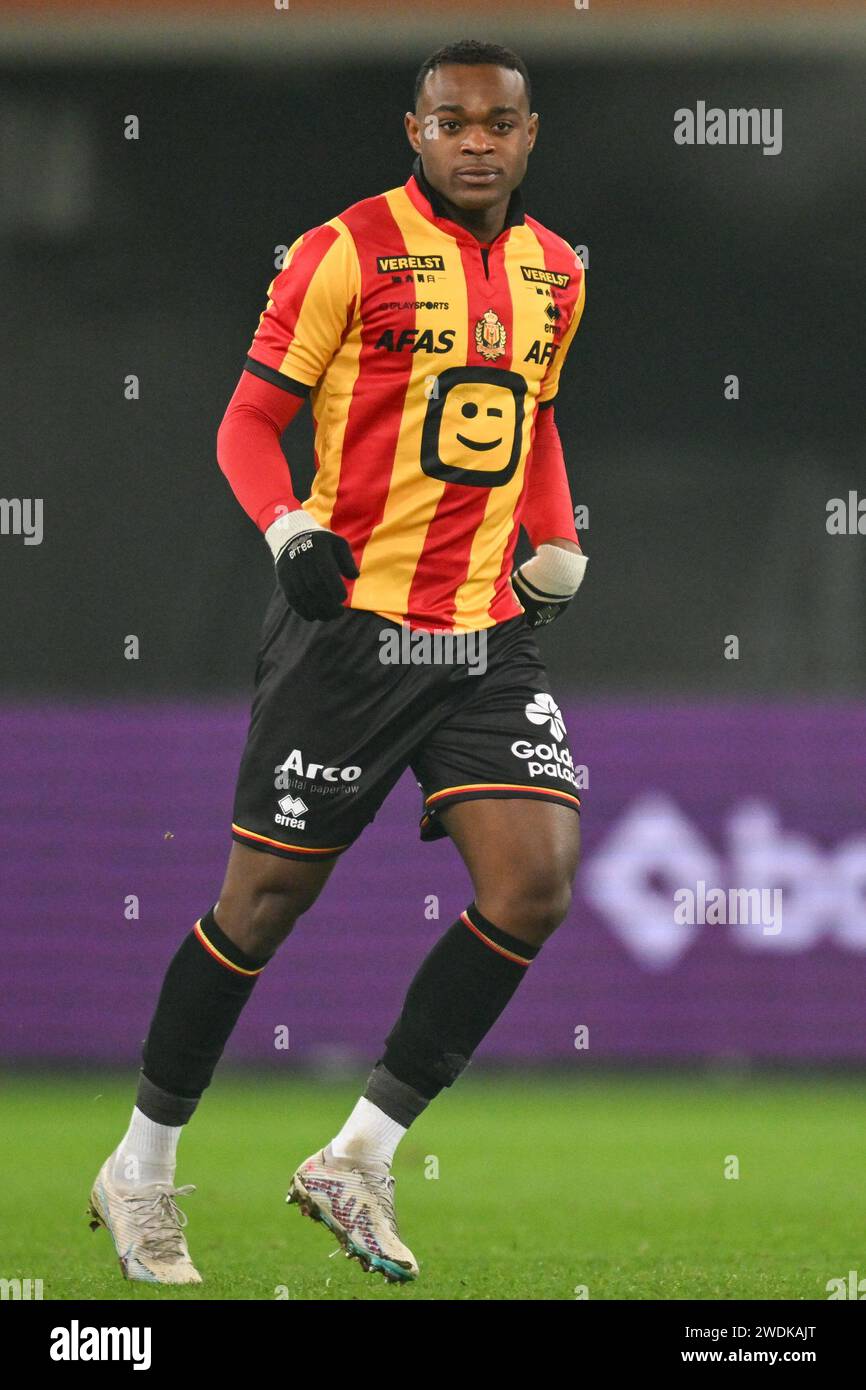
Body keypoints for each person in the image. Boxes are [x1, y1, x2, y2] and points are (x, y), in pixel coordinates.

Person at [88, 37, 588, 1287]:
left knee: (532, 885)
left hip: (483, 633)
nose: (475, 139)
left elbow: (529, 417)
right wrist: (287, 524)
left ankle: (356, 1155)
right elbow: (249, 419)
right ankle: (140, 1168)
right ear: (410, 130)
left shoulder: (556, 273)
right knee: (259, 909)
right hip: (349, 630)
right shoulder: (341, 250)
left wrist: (556, 534)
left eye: (498, 122)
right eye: (450, 120)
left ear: (529, 136)